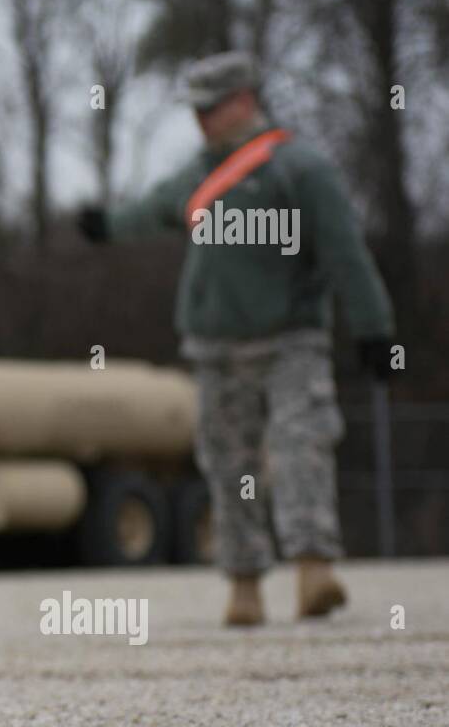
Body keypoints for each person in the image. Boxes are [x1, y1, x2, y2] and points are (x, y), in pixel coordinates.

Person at [78, 51, 396, 626]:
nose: (201, 119)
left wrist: (375, 329)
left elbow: (346, 254)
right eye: (196, 110)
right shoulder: (198, 172)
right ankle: (244, 582)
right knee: (229, 466)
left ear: (246, 100)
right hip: (214, 344)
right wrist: (106, 226)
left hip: (291, 339)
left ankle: (313, 568)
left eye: (212, 107)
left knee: (303, 448)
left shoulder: (301, 169)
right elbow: (150, 210)